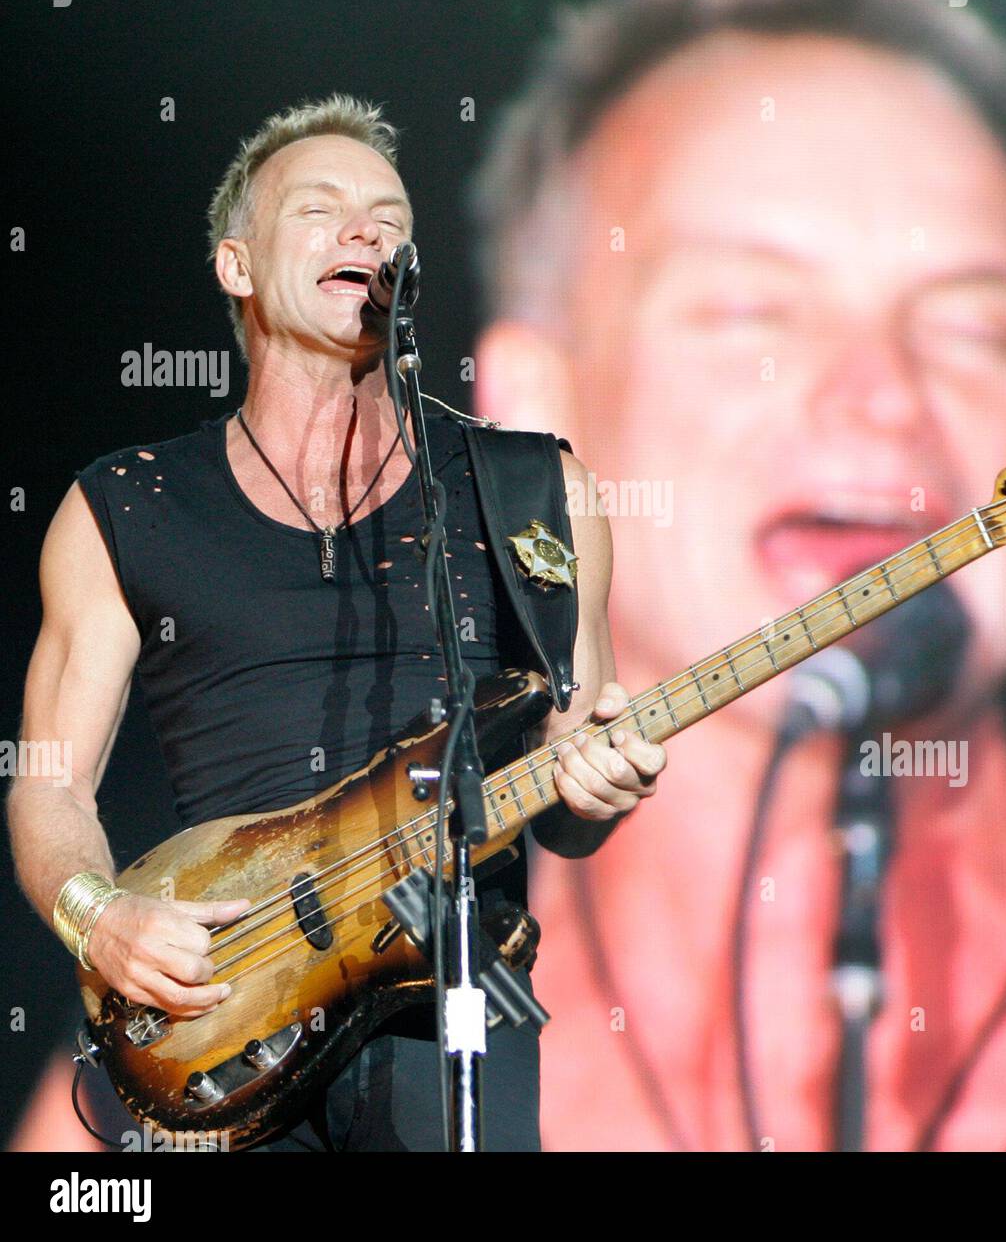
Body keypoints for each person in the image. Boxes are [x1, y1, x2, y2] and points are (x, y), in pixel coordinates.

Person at [470, 0, 1006, 1150]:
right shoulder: (322, 1024)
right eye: (747, 310)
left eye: (968, 327)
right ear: (527, 423)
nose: (880, 394)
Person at [8, 94, 665, 1152]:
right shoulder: (125, 505)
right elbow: (48, 779)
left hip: (448, 1009)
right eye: (320, 209)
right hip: (223, 1024)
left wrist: (601, 785)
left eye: (387, 214)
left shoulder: (532, 488)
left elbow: (568, 787)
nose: (366, 230)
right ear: (236, 266)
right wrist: (98, 916)